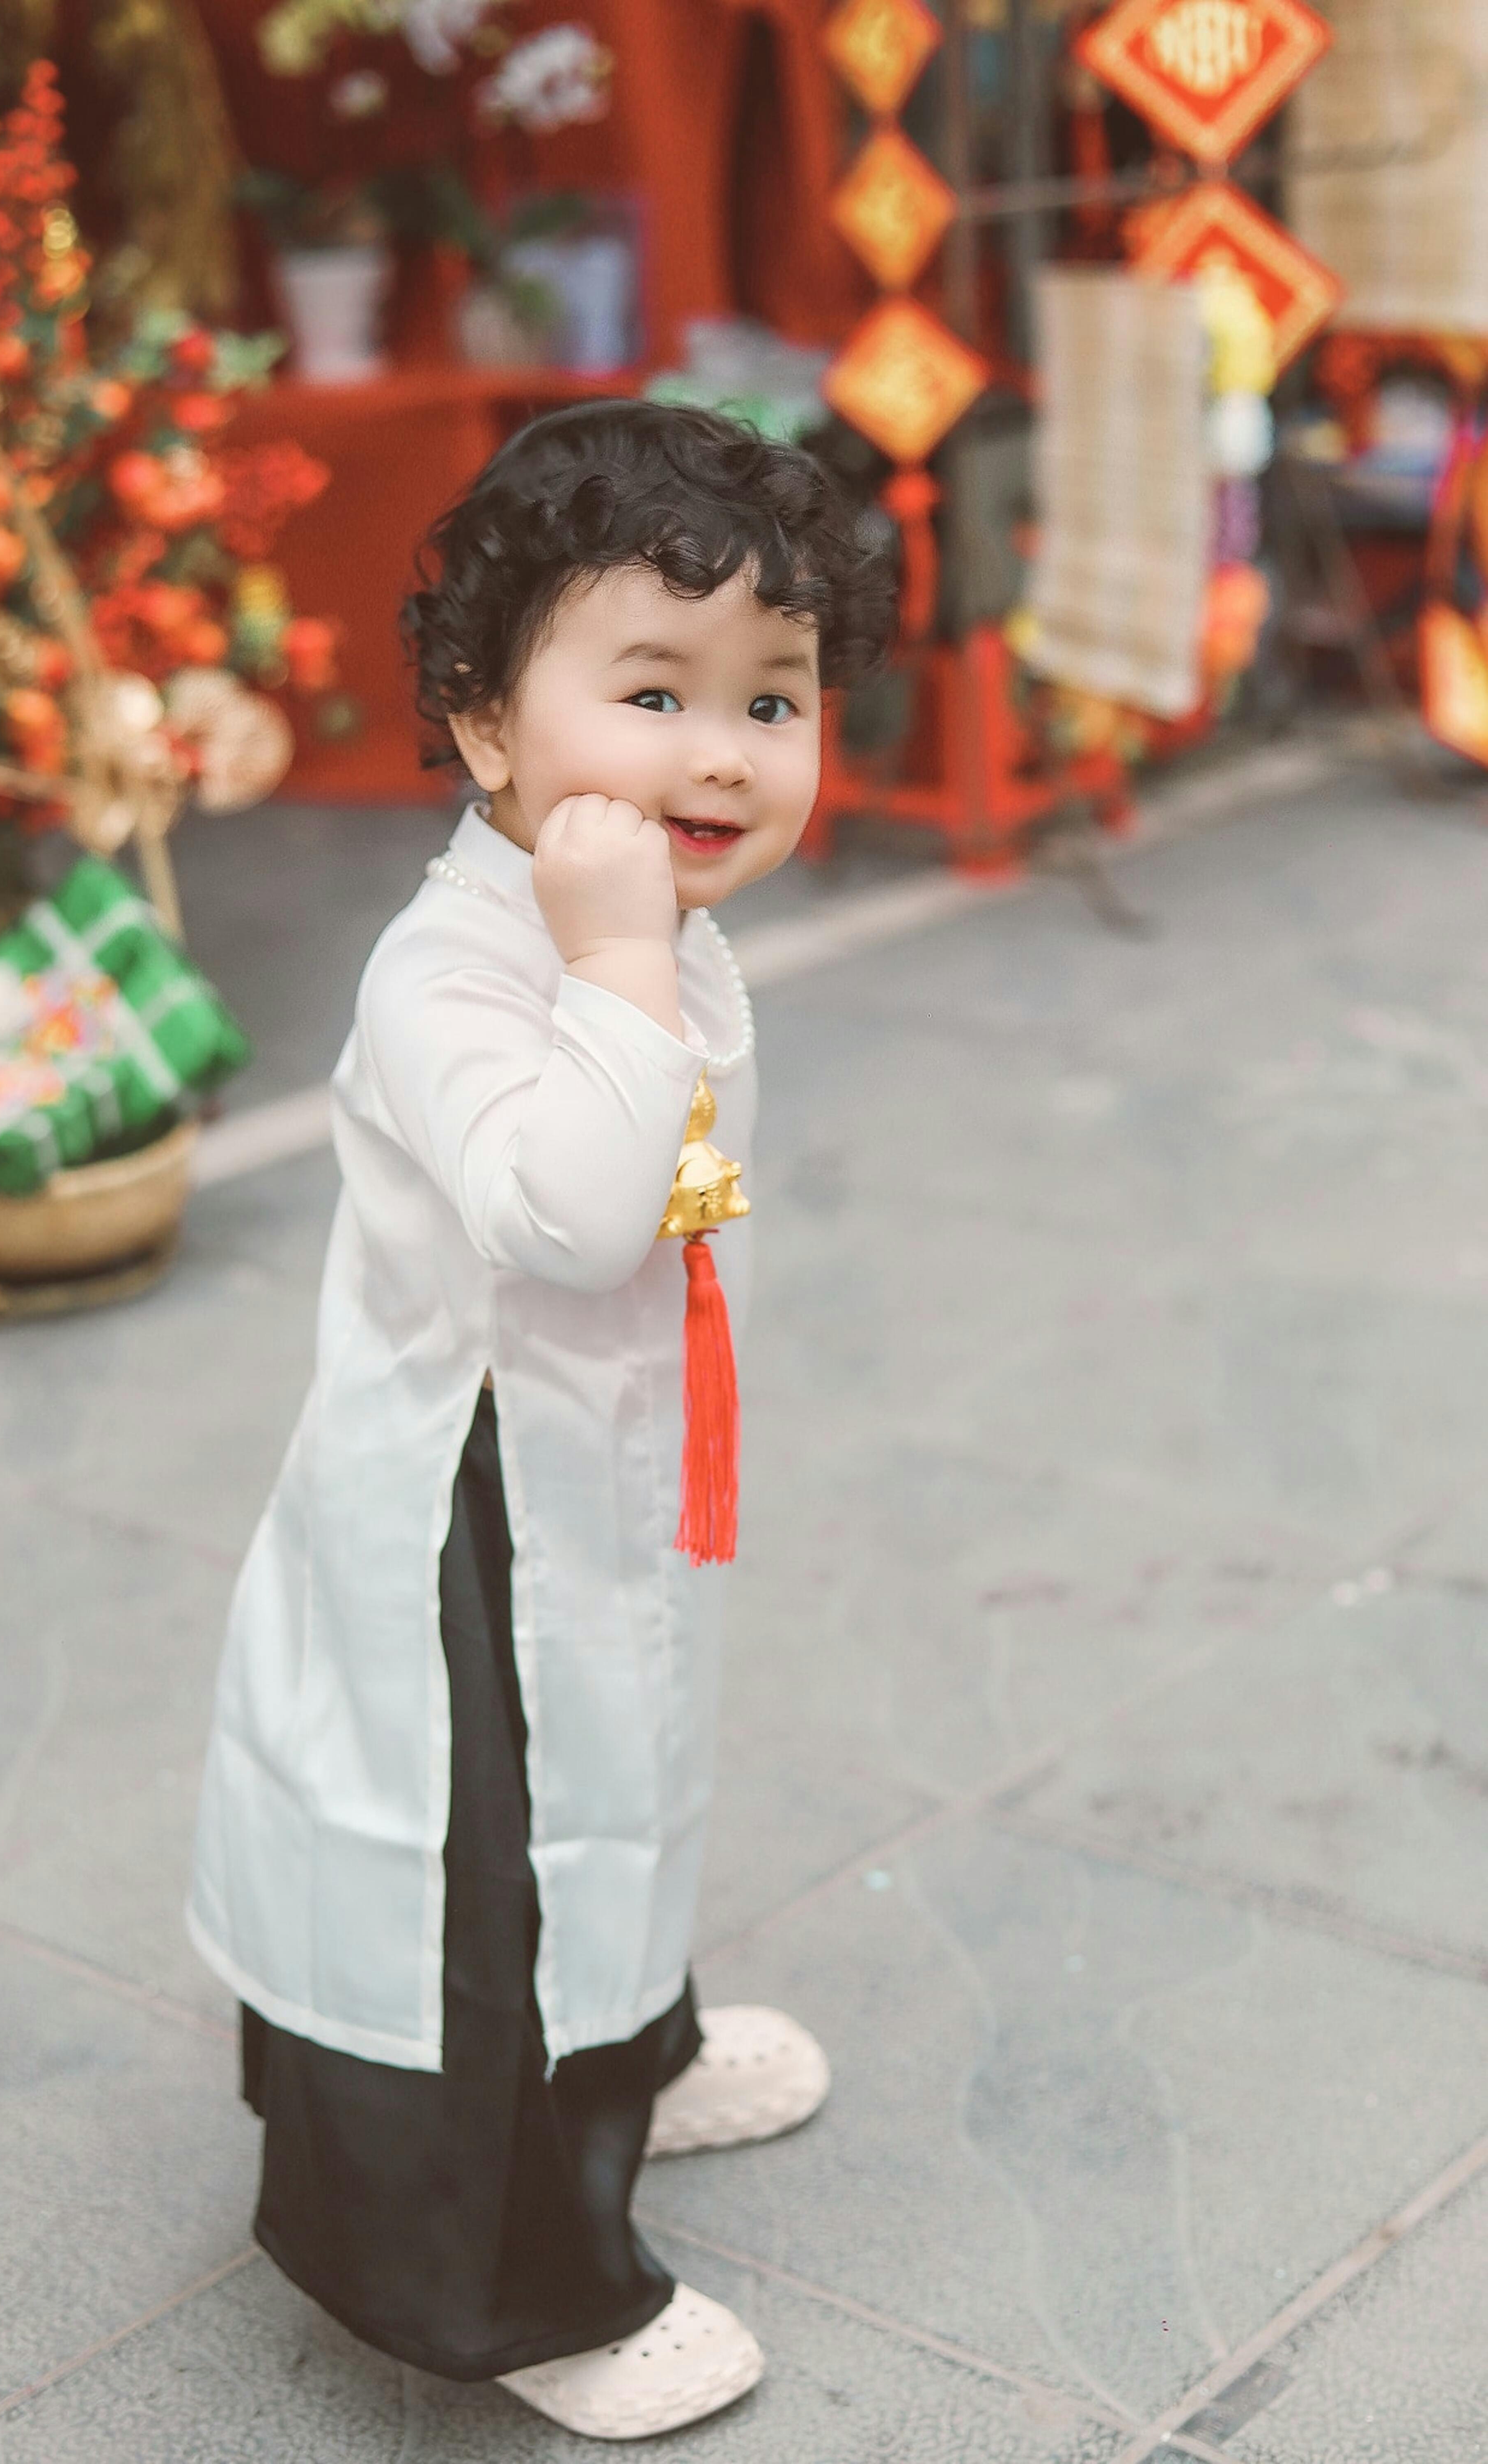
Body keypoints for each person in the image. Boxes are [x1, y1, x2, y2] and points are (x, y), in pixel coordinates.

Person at [187, 400, 896, 2439]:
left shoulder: (631, 932)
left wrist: (630, 955)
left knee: (634, 1772)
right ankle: (508, 2278)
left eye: (774, 698)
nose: (721, 752)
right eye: (651, 688)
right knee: (475, 1863)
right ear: (490, 730)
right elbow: (570, 1217)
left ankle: (627, 2054)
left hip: (597, 1468)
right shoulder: (459, 969)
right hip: (464, 1509)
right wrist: (615, 968)